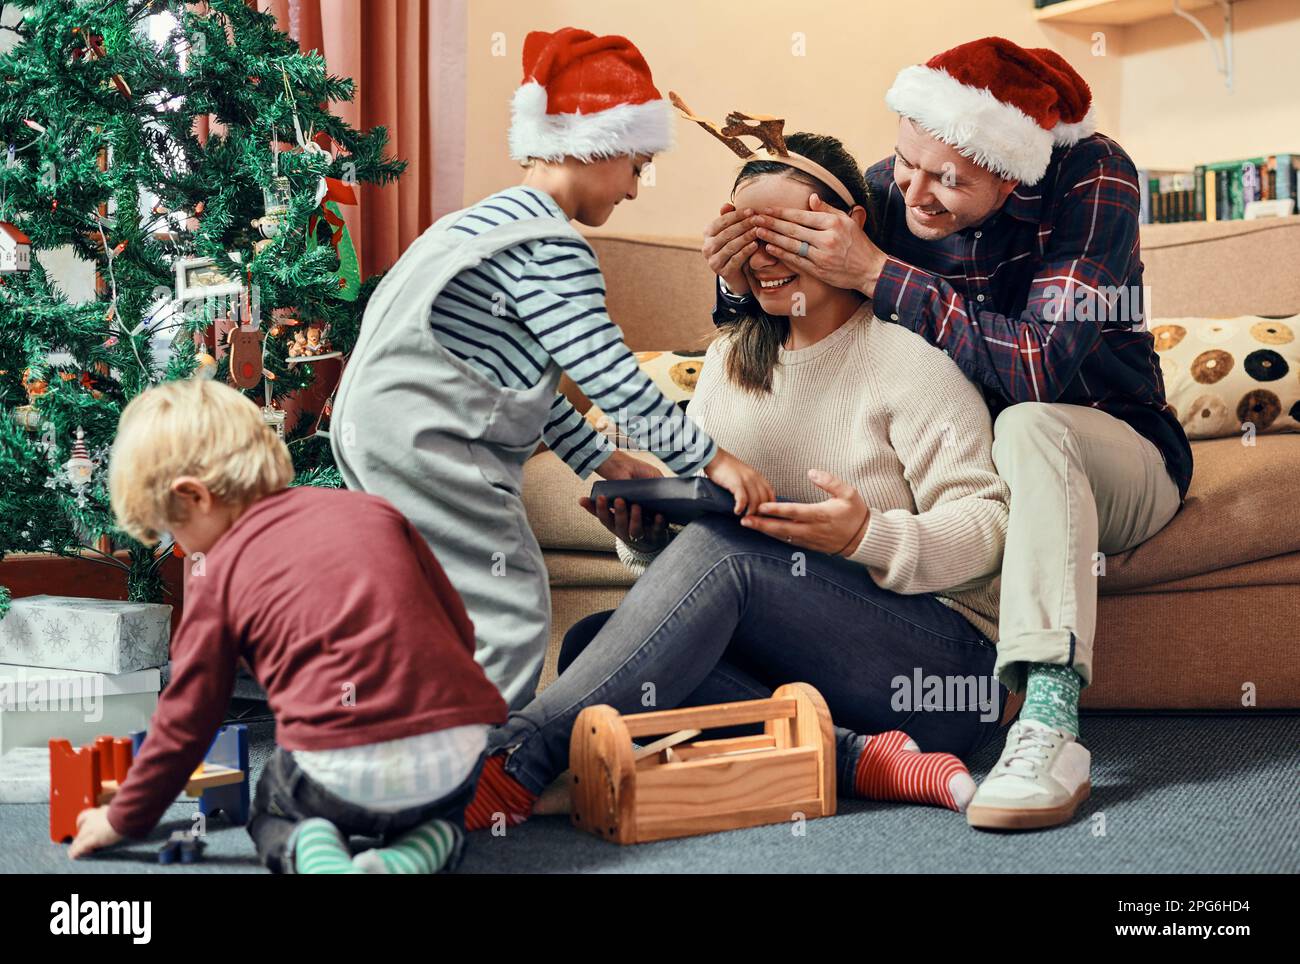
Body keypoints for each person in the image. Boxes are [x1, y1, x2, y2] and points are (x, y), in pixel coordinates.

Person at [460, 130, 1013, 832]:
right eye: (743, 235)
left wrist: (868, 536)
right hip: (823, 675)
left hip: (947, 675)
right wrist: (651, 536)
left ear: (847, 226)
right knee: (595, 647)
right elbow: (709, 552)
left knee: (711, 571)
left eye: (786, 230)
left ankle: (515, 759)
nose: (764, 256)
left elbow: (990, 527)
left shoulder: (910, 359)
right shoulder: (730, 363)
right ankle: (858, 759)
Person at [708, 37, 1191, 830]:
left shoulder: (1094, 177)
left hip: (1112, 448)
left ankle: (1048, 717)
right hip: (980, 464)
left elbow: (1038, 366)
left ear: (1013, 171)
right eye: (905, 164)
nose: (915, 195)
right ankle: (859, 747)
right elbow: (810, 302)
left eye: (950, 181)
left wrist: (875, 271)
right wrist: (734, 283)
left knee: (1030, 426)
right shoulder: (887, 190)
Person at [331, 27, 771, 713]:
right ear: (602, 143)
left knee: (425, 599)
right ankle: (478, 770)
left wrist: (596, 456)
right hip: (436, 439)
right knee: (505, 603)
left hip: (379, 427)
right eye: (637, 165)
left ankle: (393, 741)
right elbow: (609, 378)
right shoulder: (553, 246)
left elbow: (516, 378)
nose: (634, 189)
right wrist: (711, 459)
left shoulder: (480, 223)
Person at [69, 379, 508, 874]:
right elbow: (458, 628)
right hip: (454, 750)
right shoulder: (373, 510)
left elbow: (190, 714)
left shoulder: (215, 571)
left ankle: (318, 855)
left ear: (193, 496)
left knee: (272, 800)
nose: (182, 550)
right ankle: (418, 850)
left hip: (338, 769)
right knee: (444, 810)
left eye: (174, 531)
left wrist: (123, 818)